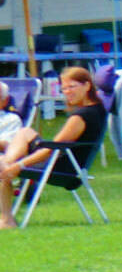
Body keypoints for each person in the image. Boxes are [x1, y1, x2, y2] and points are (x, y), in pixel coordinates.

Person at [0, 67, 107, 229]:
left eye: (72, 87)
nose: (67, 92)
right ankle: (7, 164)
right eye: (64, 88)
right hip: (67, 163)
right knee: (24, 132)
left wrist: (19, 166)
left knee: (2, 166)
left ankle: (7, 220)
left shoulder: (80, 117)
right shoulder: (98, 109)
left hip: (62, 168)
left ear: (87, 86)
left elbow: (50, 150)